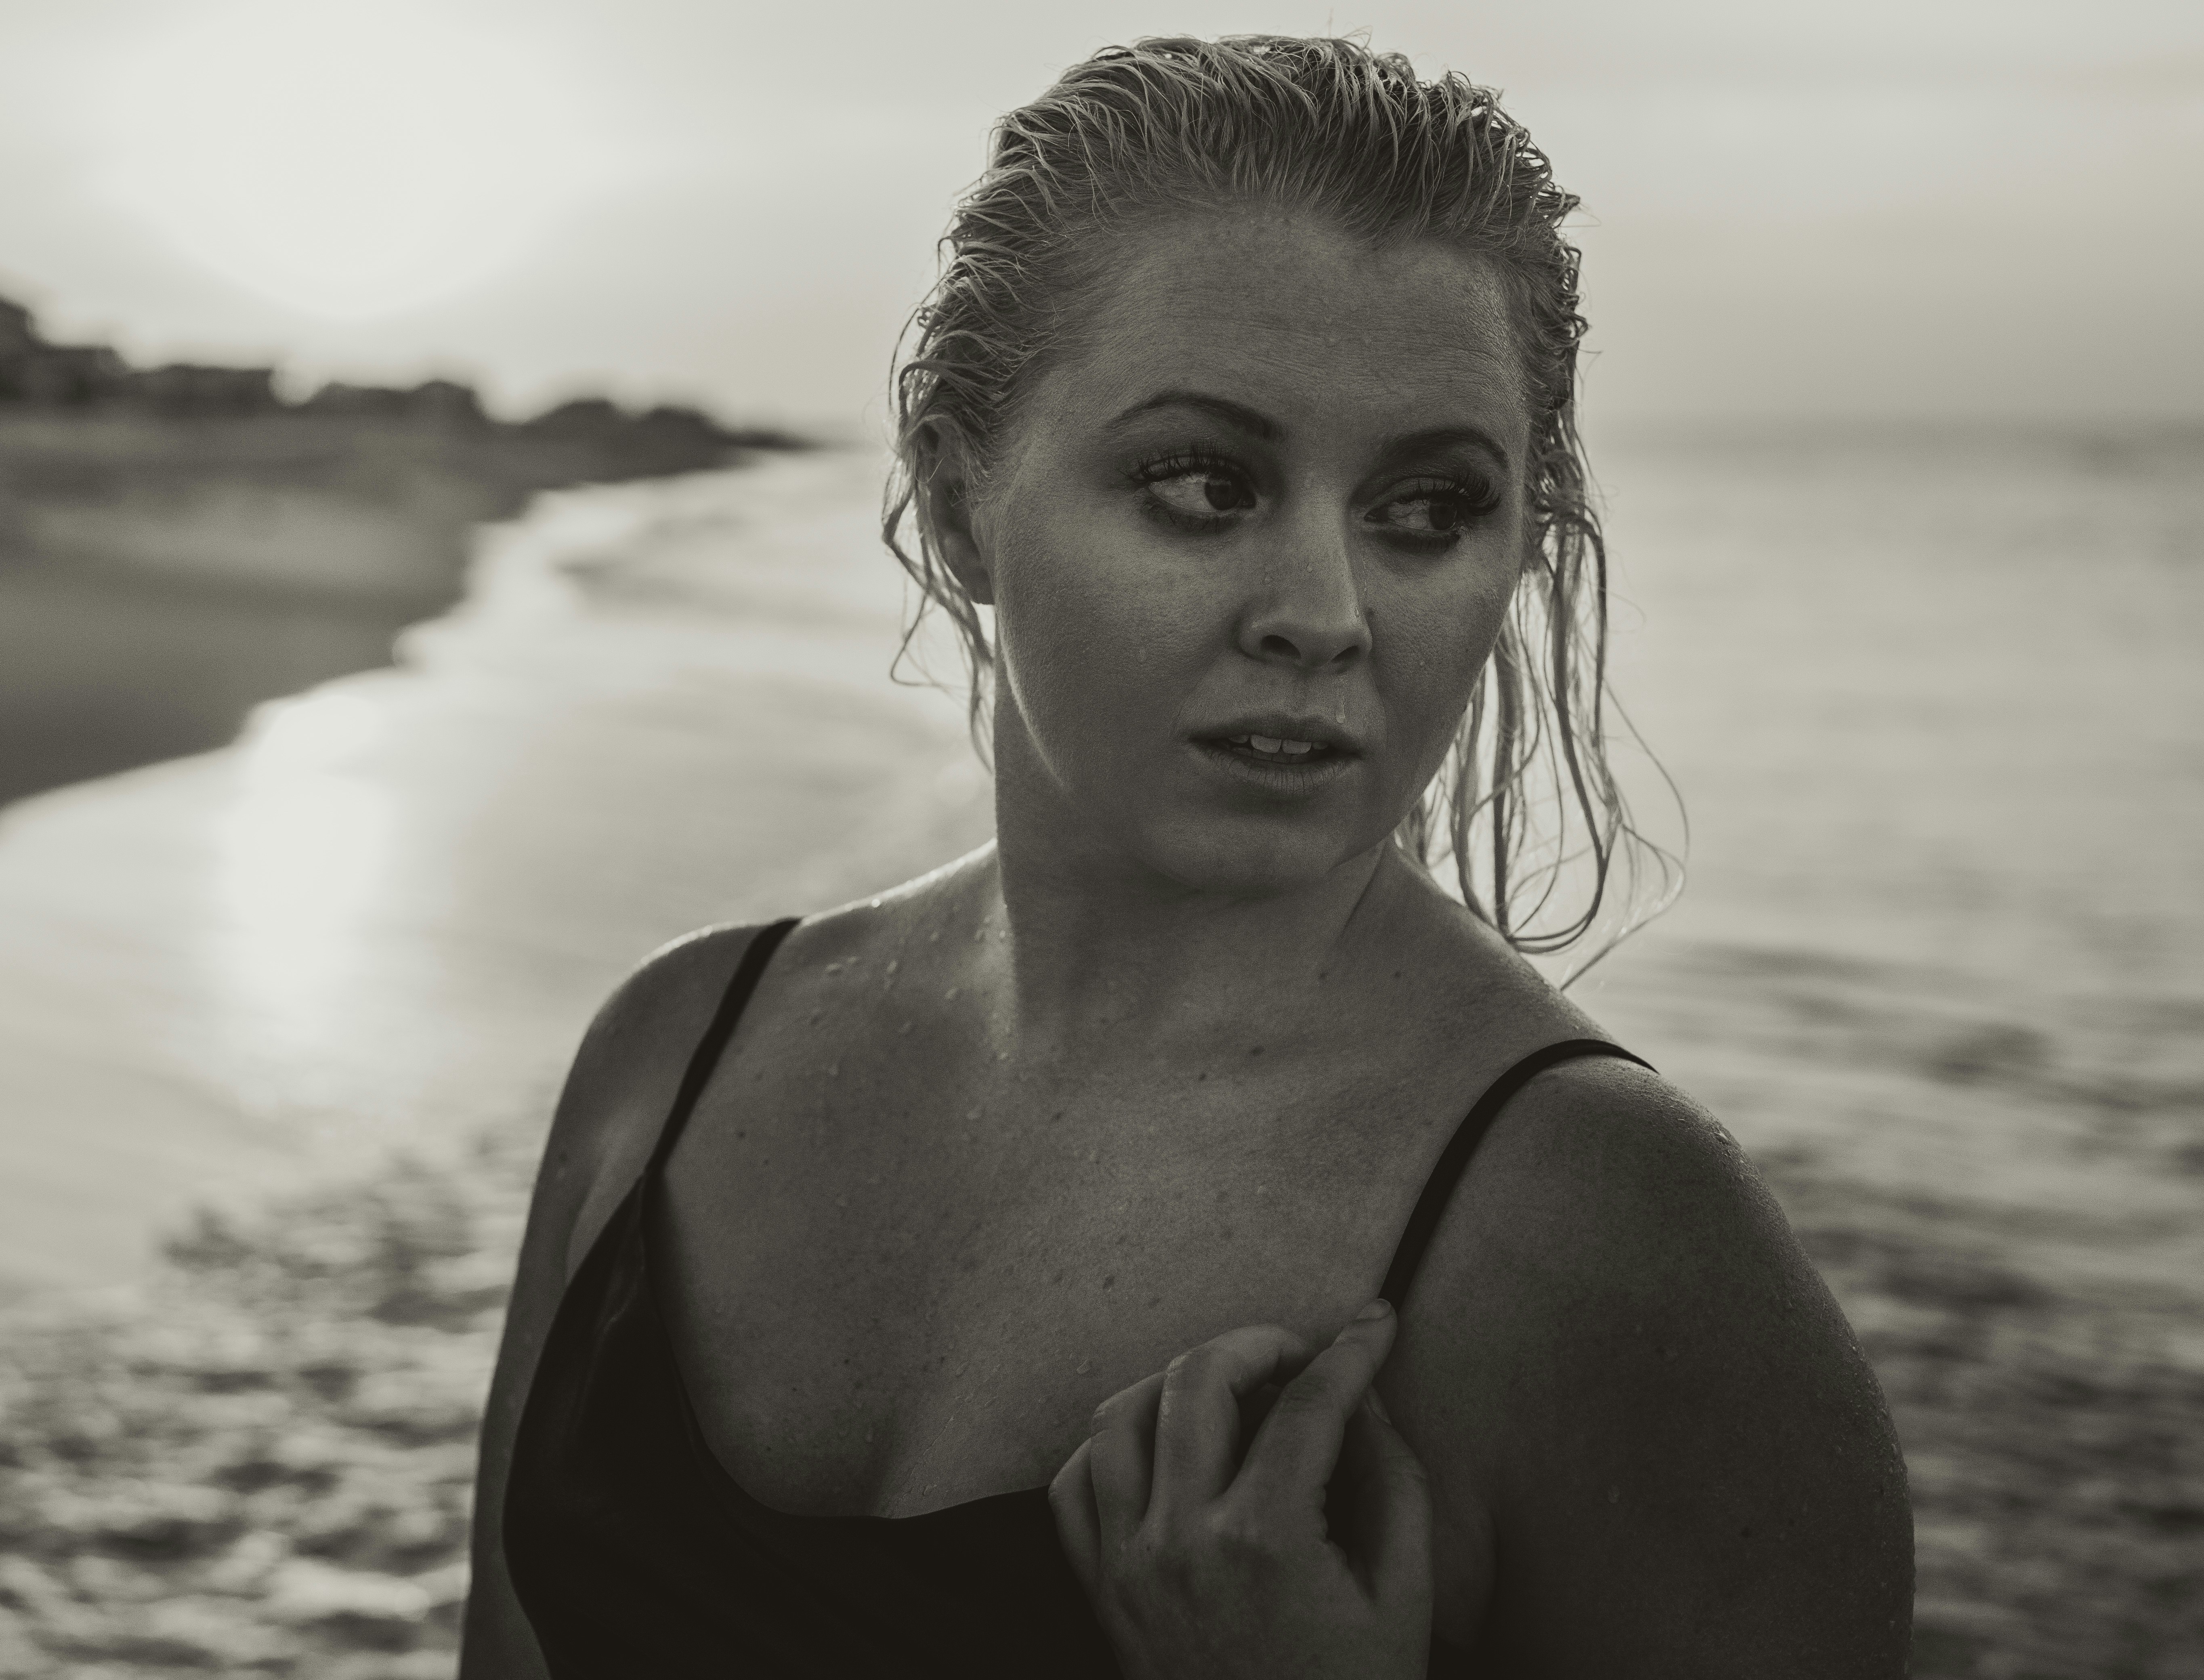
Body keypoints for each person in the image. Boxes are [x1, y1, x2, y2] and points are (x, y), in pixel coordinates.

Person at [462, 34, 1913, 1678]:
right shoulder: (671, 1060)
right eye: (1205, 484)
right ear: (958, 507)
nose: (1325, 611)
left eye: (1427, 510)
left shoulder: (1613, 1239)